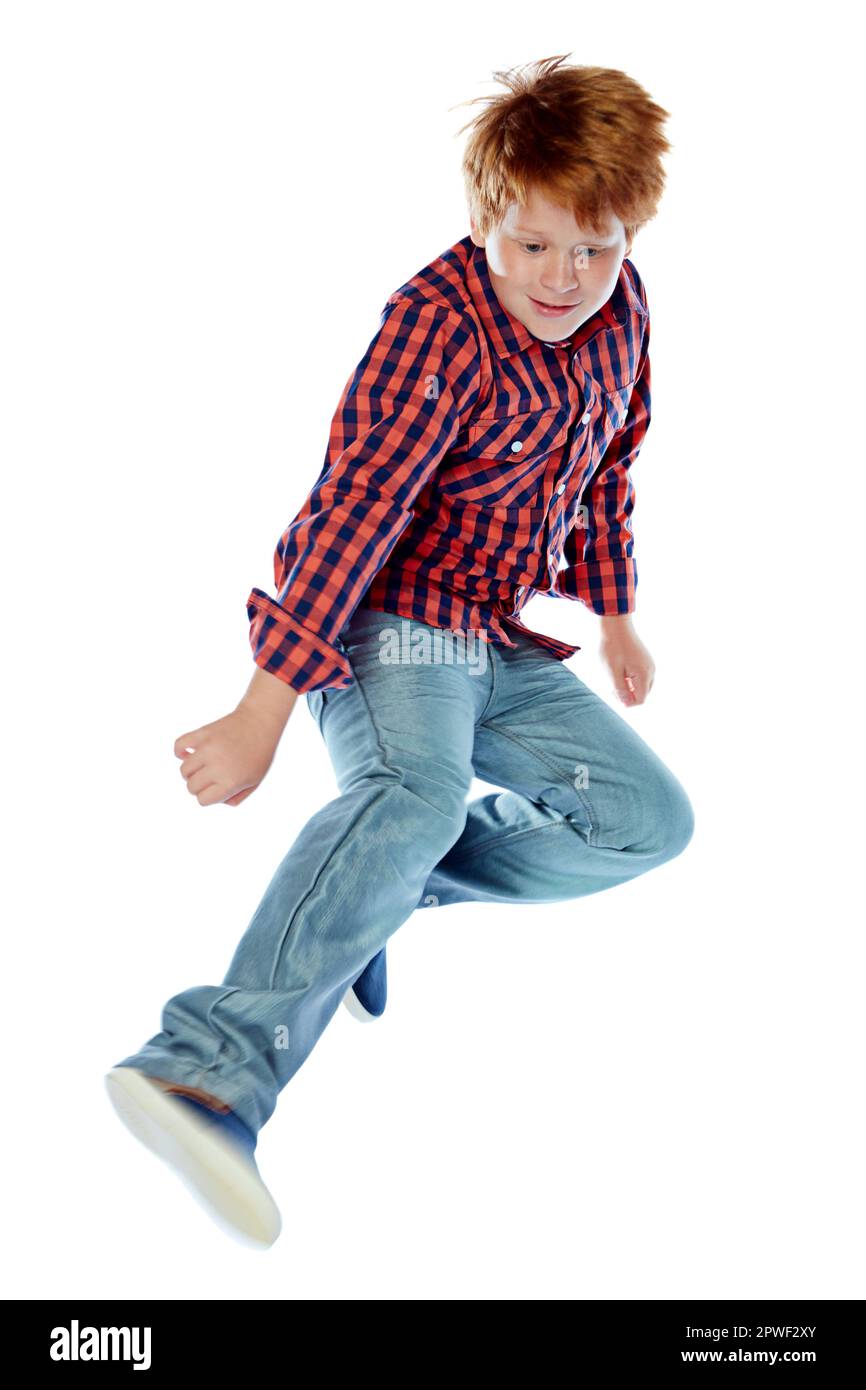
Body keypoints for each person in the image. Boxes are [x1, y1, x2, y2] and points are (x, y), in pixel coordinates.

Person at [105, 54, 694, 1248]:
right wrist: (263, 710)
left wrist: (616, 610)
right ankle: (207, 1070)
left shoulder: (620, 311)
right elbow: (354, 510)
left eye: (595, 249)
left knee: (647, 819)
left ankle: (383, 897)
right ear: (487, 219)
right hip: (391, 620)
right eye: (533, 245)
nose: (563, 279)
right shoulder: (439, 326)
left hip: (492, 632)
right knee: (411, 791)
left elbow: (609, 465)